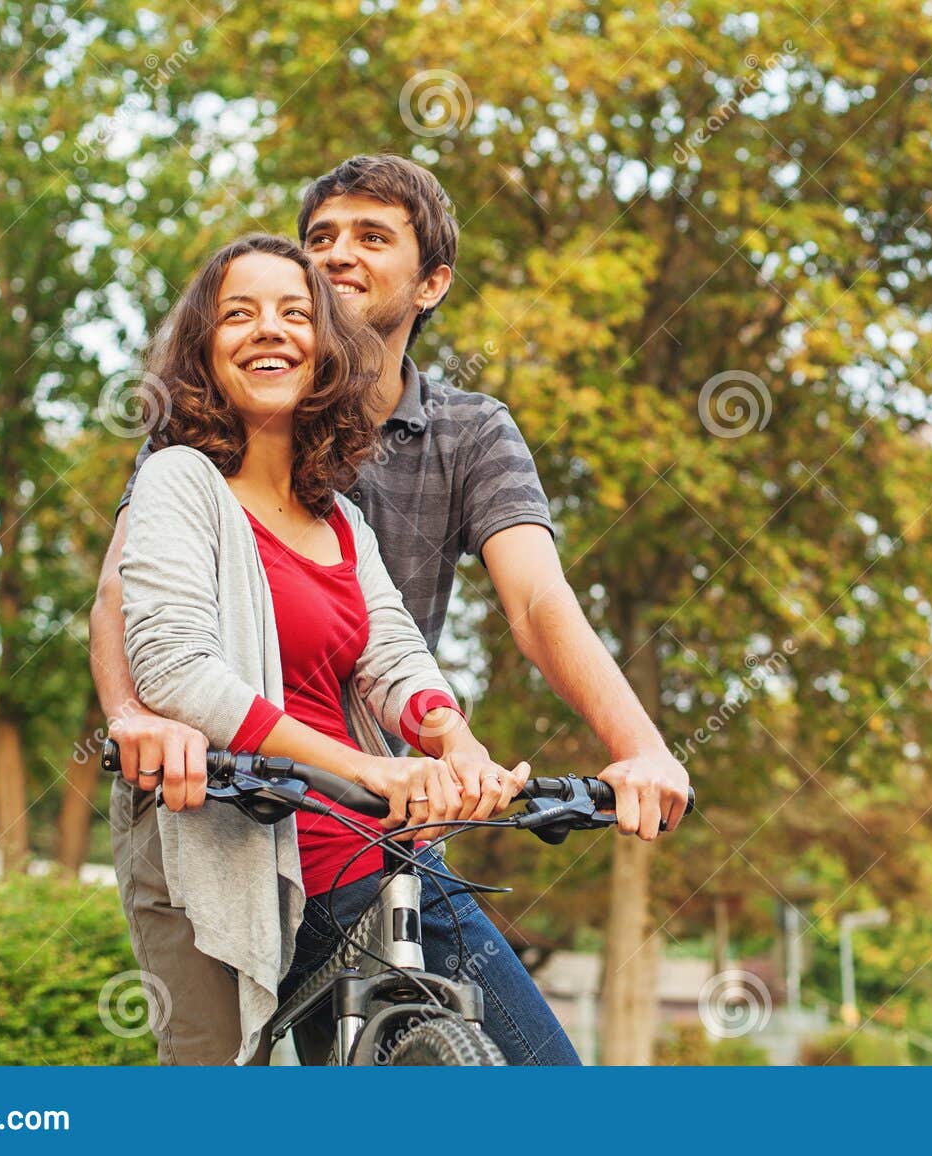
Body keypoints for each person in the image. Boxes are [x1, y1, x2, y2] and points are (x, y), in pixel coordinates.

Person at [91, 156, 689, 1060]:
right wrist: (136, 719)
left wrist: (467, 741)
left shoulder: (402, 472)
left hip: (376, 825)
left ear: (431, 284)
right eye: (318, 241)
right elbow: (129, 605)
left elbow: (502, 611)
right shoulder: (186, 463)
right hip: (233, 810)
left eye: (372, 238)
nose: (334, 260)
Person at [114, 232, 573, 1065]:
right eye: (238, 315)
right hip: (232, 852)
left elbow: (394, 657)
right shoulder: (179, 480)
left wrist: (446, 737)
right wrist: (373, 768)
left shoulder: (340, 519)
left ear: (326, 350)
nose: (270, 331)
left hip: (371, 853)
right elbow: (175, 668)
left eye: (295, 313)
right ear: (201, 350)